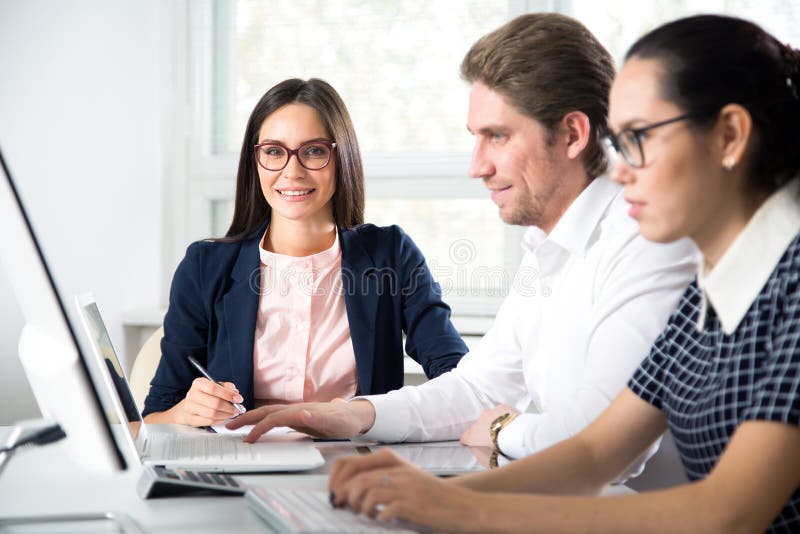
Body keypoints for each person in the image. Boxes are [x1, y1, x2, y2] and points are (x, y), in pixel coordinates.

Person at [326, 14, 800, 532]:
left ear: (729, 135)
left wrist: (456, 505)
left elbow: (729, 513)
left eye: (639, 139)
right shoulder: (708, 294)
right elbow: (595, 451)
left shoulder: (791, 283)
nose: (620, 170)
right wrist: (421, 493)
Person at [227, 13, 698, 469]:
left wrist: (501, 431)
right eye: (476, 138)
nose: (477, 166)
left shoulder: (646, 239)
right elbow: (478, 389)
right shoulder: (549, 250)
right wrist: (355, 414)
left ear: (572, 134)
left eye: (497, 137)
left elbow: (606, 447)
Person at [142, 78, 468, 426]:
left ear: (341, 157)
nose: (292, 171)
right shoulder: (205, 266)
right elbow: (152, 419)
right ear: (255, 160)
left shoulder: (390, 254)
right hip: (240, 469)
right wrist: (185, 412)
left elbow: (458, 377)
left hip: (353, 465)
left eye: (313, 151)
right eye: (273, 151)